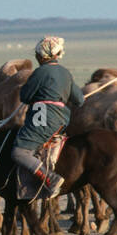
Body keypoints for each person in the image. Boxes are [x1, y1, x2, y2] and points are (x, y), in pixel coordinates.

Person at [10, 35, 84, 198]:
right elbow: (79, 100)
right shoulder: (66, 73)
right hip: (61, 120)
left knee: (19, 152)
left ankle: (51, 178)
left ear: (41, 56)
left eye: (37, 55)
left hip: (43, 117)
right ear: (57, 55)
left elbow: (25, 96)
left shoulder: (40, 72)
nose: (36, 58)